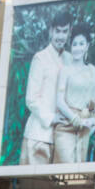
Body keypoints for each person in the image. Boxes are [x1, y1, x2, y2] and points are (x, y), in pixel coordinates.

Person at [20, 9, 71, 165]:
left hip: (62, 138)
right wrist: (51, 118)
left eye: (65, 32)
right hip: (38, 136)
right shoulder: (40, 58)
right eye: (58, 31)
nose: (61, 36)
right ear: (51, 31)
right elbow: (31, 99)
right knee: (32, 187)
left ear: (69, 32)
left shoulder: (70, 59)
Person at [54, 25, 95, 165]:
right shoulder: (65, 71)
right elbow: (59, 101)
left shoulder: (92, 70)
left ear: (87, 46)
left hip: (85, 126)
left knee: (78, 172)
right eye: (74, 44)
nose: (77, 48)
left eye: (81, 44)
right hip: (66, 125)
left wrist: (94, 119)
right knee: (65, 168)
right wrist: (76, 119)